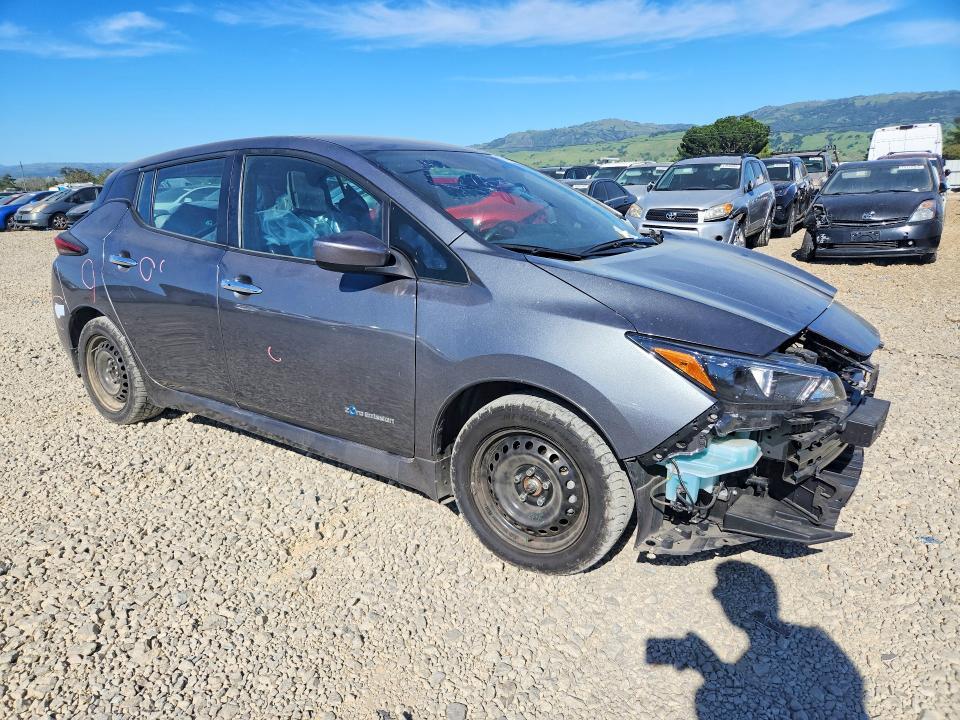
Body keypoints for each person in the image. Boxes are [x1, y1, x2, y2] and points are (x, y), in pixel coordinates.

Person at [647, 560, 867, 720]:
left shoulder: (811, 640)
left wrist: (708, 667)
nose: (716, 593)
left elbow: (744, 696)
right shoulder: (812, 639)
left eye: (722, 588)